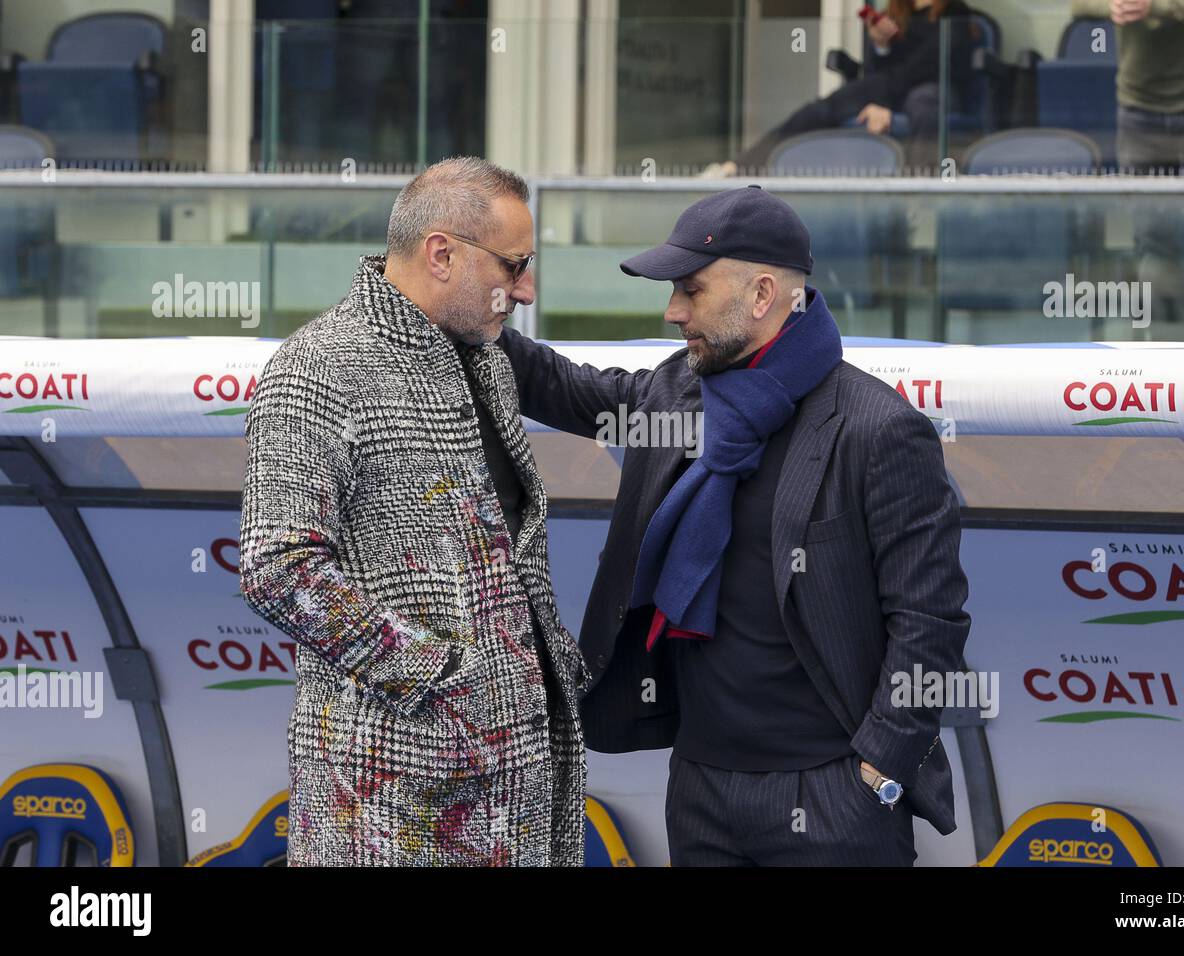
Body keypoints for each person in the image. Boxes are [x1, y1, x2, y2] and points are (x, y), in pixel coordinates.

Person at [497, 185, 972, 865]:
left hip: (838, 799)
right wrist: (458, 299)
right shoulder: (676, 394)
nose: (671, 312)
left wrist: (878, 772)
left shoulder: (880, 429)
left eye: (691, 289)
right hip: (701, 790)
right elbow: (558, 384)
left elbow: (931, 621)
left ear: (762, 294)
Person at [239, 156, 590, 866]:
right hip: (391, 791)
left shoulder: (483, 355)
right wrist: (440, 676)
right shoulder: (318, 367)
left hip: (514, 778)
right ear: (441, 254)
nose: (525, 288)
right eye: (513, 265)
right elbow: (277, 568)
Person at [1072, 0, 1184, 341]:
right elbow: (1077, 5)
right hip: (1139, 107)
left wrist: (1157, 6)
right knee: (1151, 232)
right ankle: (1169, 337)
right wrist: (1110, 5)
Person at [703, 0, 974, 176]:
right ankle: (739, 166)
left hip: (931, 87)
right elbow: (878, 69)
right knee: (824, 108)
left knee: (922, 102)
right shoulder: (896, 14)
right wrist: (881, 45)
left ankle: (921, 190)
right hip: (889, 87)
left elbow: (932, 65)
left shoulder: (956, 13)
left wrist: (884, 103)